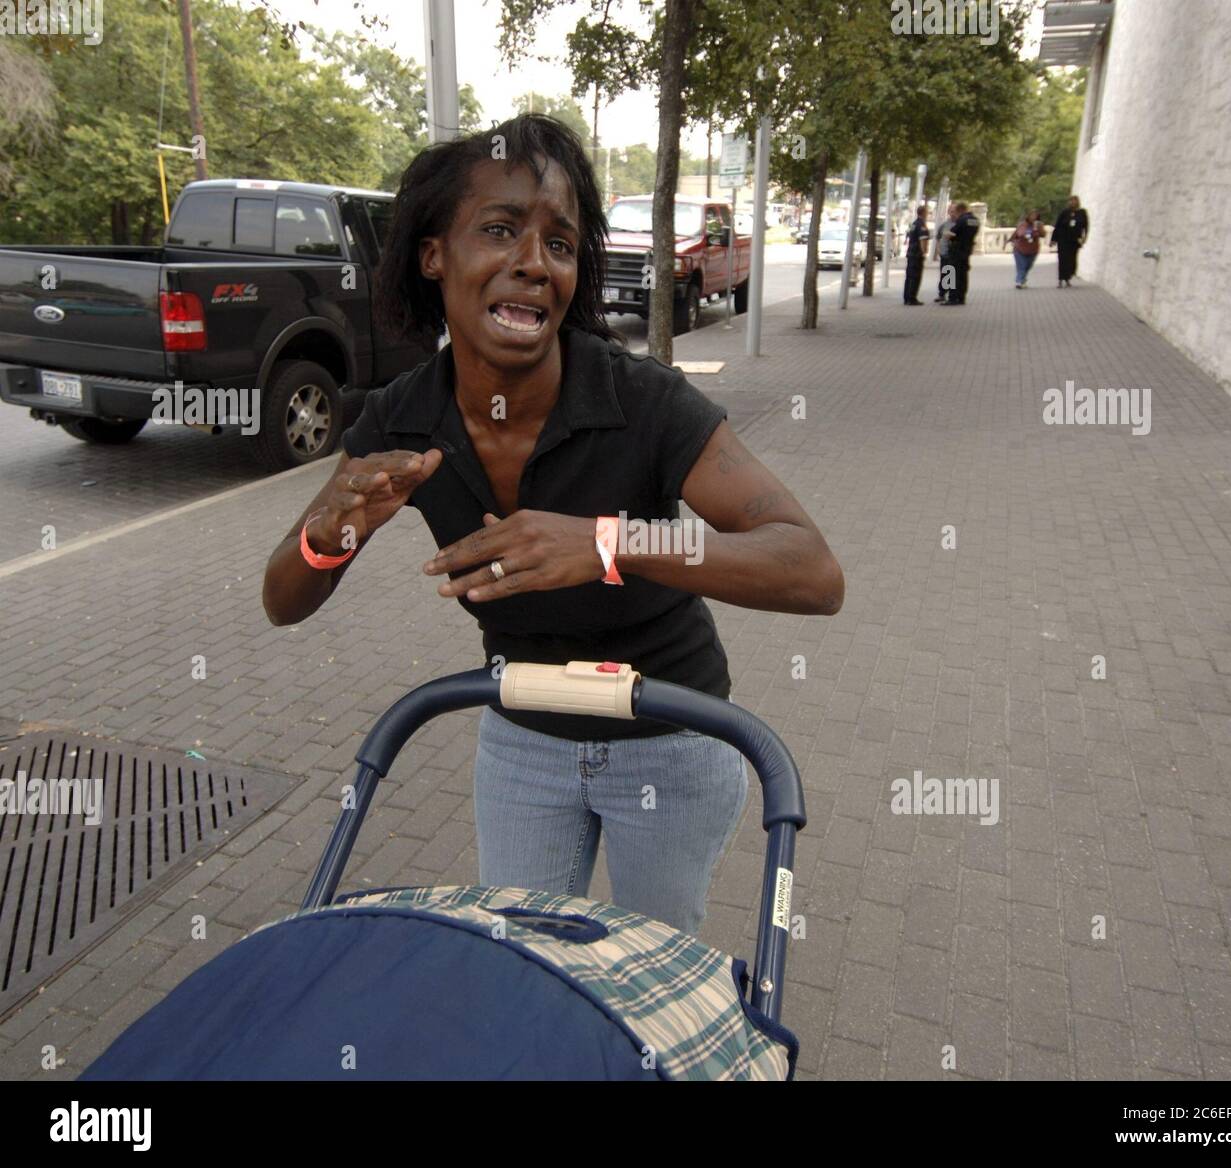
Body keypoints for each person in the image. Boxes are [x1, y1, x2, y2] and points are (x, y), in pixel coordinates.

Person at [260, 114, 845, 939]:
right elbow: (283, 600)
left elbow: (813, 570)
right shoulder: (403, 419)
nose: (534, 263)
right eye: (499, 230)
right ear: (435, 256)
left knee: (645, 974)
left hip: (669, 734)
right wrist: (327, 535)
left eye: (560, 245)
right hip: (522, 737)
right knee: (523, 958)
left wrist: (610, 543)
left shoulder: (641, 400)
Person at [941, 201, 980, 305]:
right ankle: (962, 297)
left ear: (960, 210)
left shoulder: (962, 219)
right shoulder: (975, 220)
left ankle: (953, 298)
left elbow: (952, 233)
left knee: (953, 273)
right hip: (967, 249)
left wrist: (946, 234)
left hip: (956, 250)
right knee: (963, 274)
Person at [1051, 195, 1089, 287]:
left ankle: (1068, 277)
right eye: (1071, 201)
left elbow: (1086, 226)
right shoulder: (1064, 212)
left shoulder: (1082, 212)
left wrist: (1084, 237)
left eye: (1074, 201)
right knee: (1063, 259)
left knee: (1072, 260)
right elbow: (1058, 225)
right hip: (1063, 239)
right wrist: (1054, 239)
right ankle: (1061, 280)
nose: (1072, 203)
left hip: (1075, 240)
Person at [903, 204, 930, 305]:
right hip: (916, 254)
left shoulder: (913, 224)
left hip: (910, 253)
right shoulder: (921, 225)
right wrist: (924, 252)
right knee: (915, 277)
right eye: (927, 212)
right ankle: (912, 298)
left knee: (909, 276)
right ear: (924, 213)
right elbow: (923, 240)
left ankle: (906, 297)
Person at [1012, 209, 1046, 289]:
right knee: (1022, 266)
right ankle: (1019, 281)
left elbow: (1043, 234)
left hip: (1033, 250)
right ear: (1028, 216)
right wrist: (1030, 233)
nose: (1033, 217)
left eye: (1035, 216)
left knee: (1028, 266)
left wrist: (1038, 228)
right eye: (1032, 215)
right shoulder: (1023, 224)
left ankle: (1022, 280)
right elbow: (1020, 233)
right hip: (1020, 249)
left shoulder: (1039, 225)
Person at [934, 202, 956, 303]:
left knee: (950, 273)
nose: (953, 213)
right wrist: (938, 249)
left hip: (953, 253)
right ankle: (942, 293)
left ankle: (950, 294)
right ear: (948, 212)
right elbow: (938, 238)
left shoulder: (959, 224)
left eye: (955, 211)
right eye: (951, 211)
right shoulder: (944, 225)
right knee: (944, 274)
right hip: (944, 253)